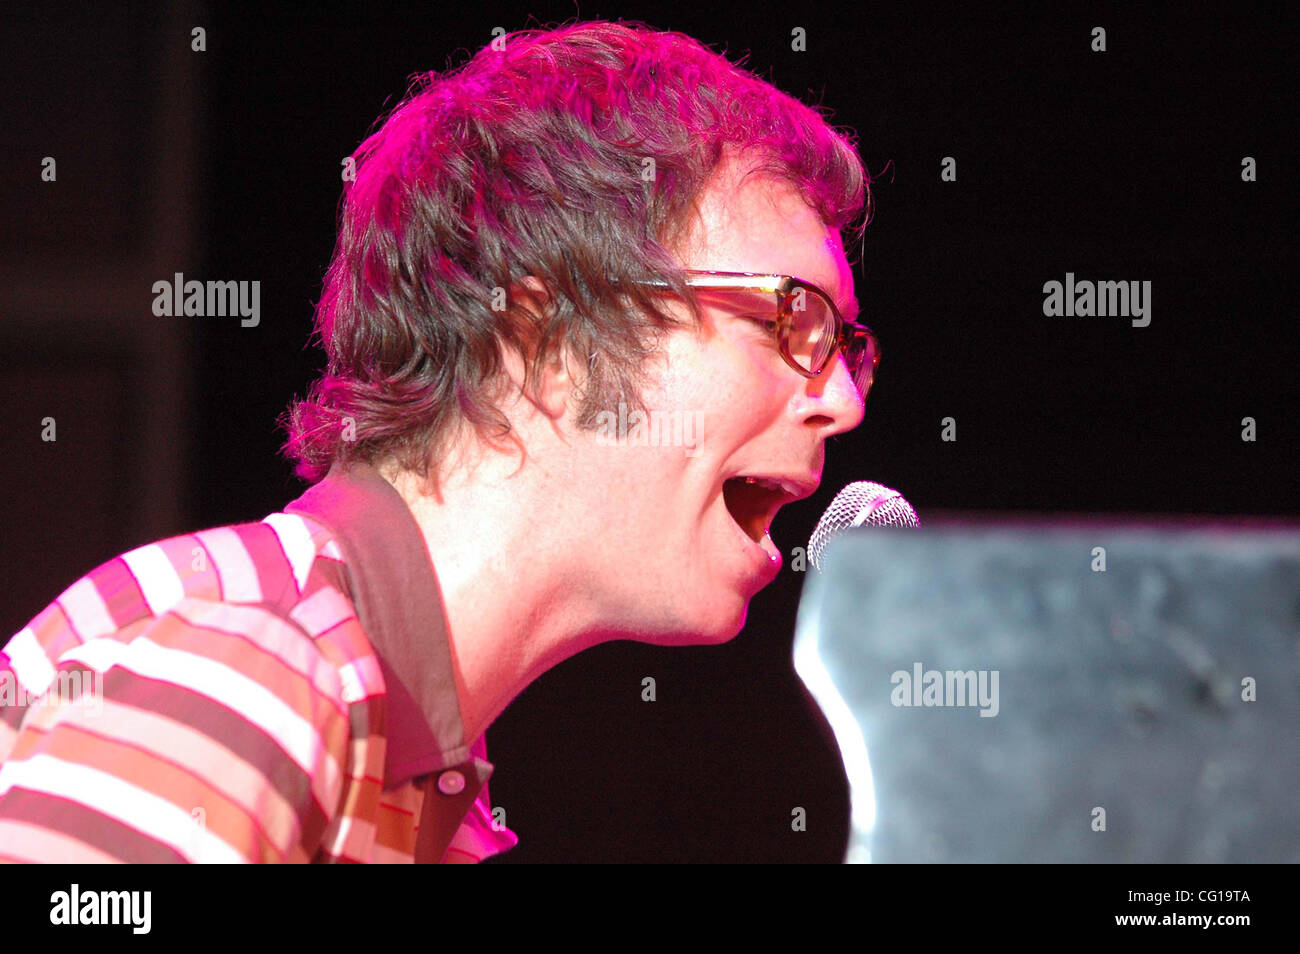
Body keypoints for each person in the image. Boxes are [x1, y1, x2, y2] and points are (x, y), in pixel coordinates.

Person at [0, 19, 876, 863]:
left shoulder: (407, 770)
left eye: (847, 349)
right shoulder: (247, 663)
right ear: (546, 340)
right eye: (790, 318)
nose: (842, 400)